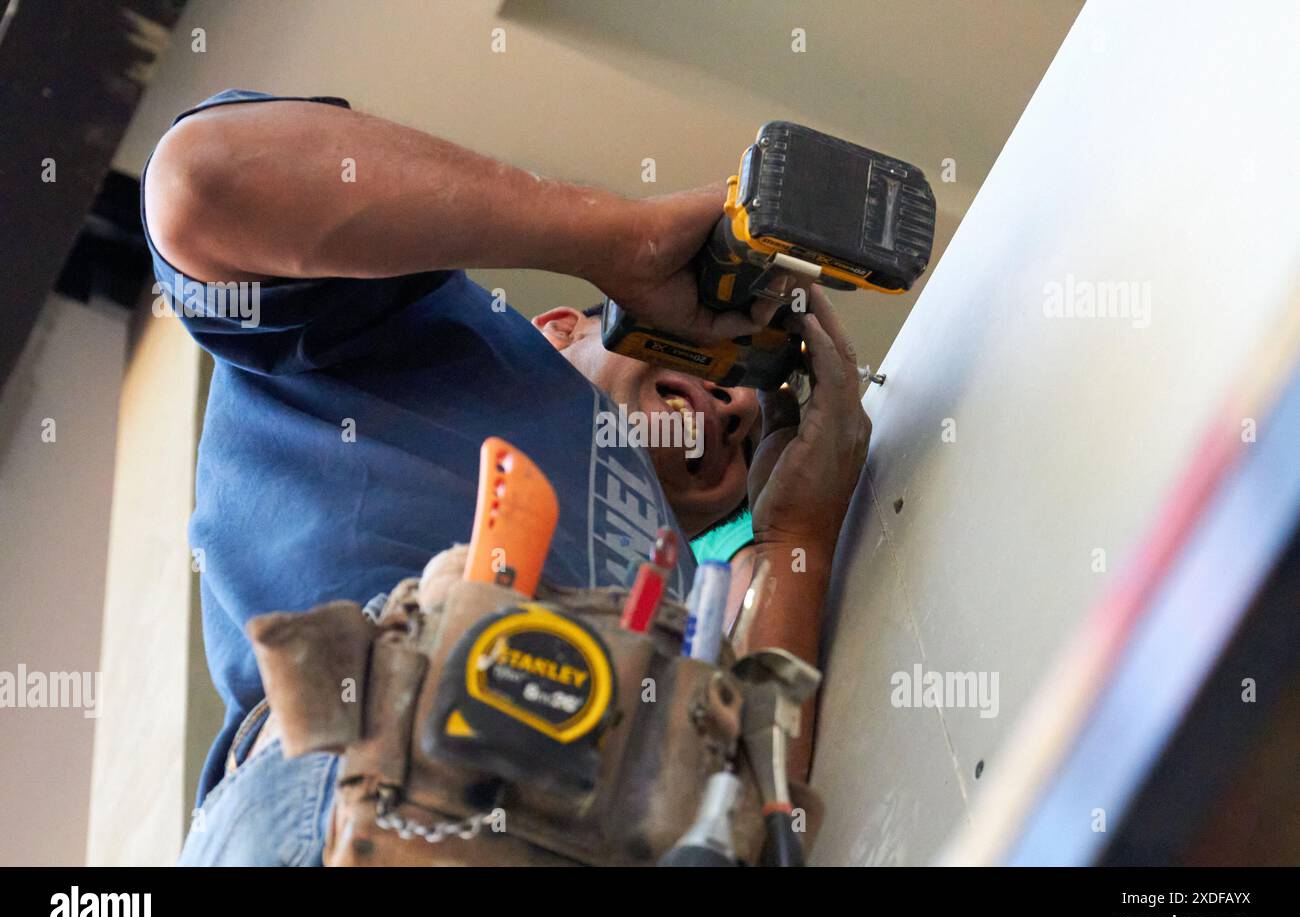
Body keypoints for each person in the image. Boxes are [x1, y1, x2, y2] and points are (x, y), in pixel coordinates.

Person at [144, 90, 869, 865]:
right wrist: (619, 241)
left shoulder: (684, 603)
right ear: (561, 328)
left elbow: (750, 820)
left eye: (746, 436)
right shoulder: (416, 329)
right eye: (725, 371)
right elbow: (204, 183)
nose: (730, 411)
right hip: (355, 794)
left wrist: (798, 540)